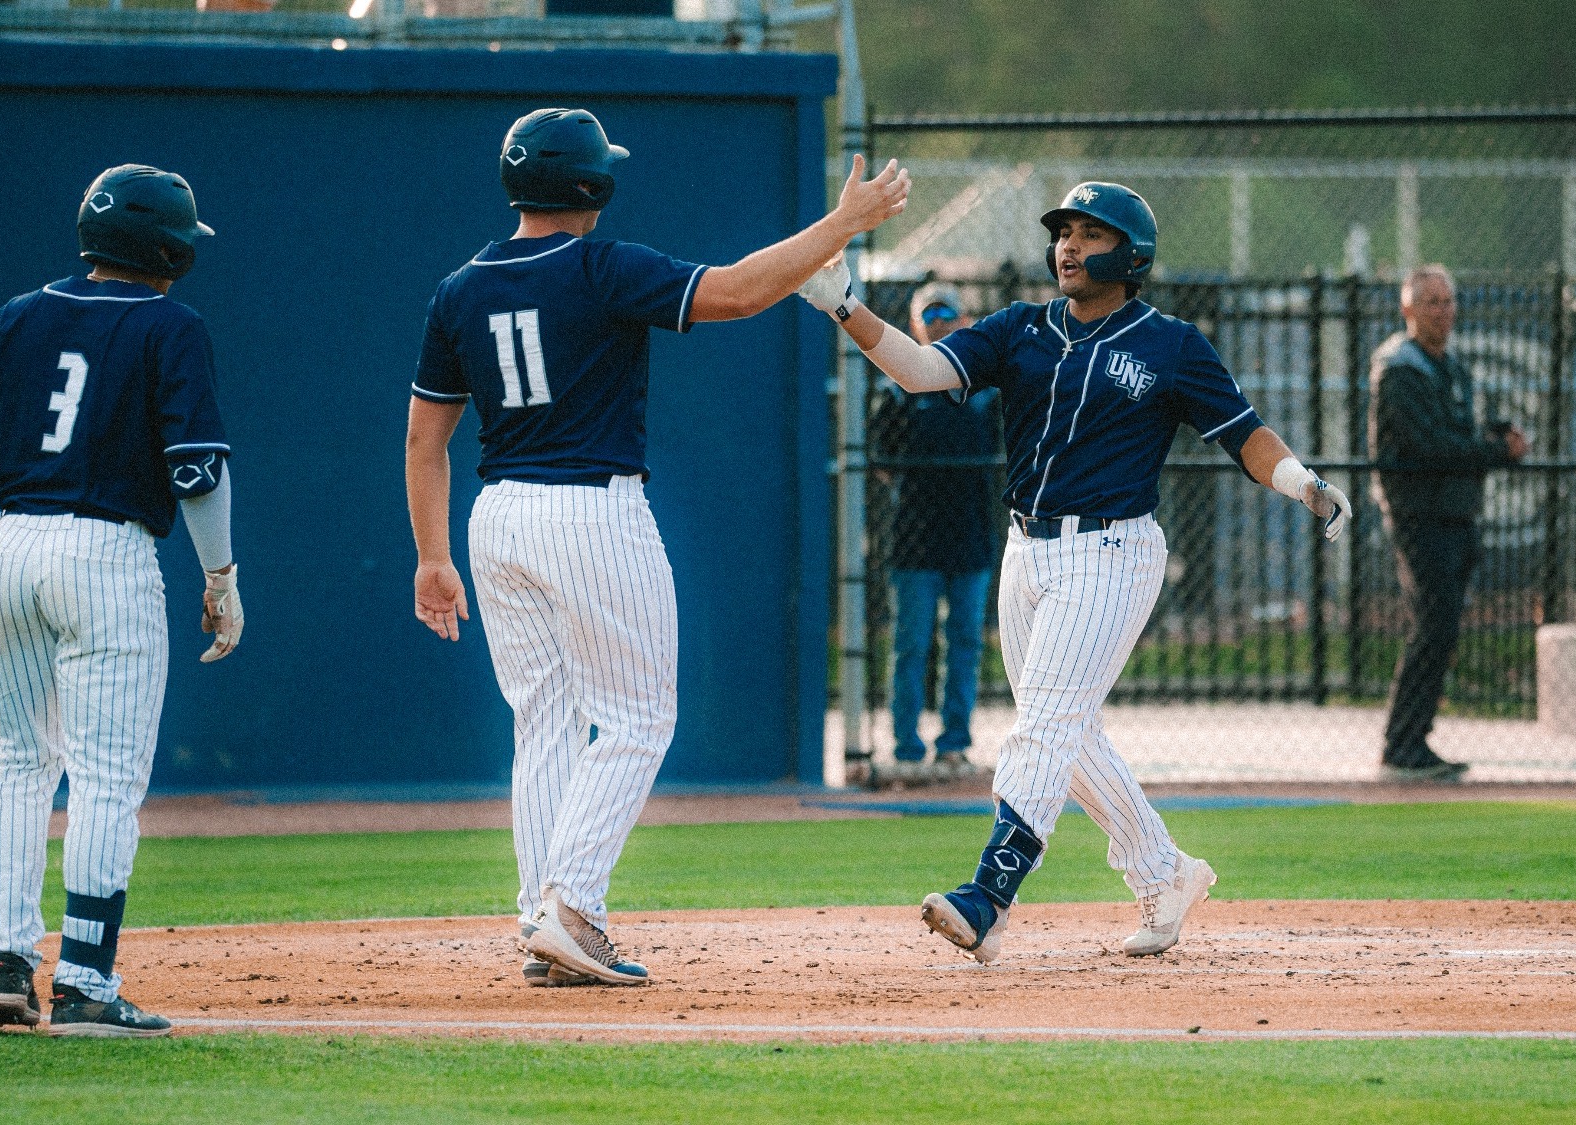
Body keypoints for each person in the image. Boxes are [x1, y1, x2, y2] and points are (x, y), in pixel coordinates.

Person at [405, 109, 908, 986]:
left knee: (545, 721)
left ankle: (541, 916)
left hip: (497, 516)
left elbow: (424, 441)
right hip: (589, 511)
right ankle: (571, 909)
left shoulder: (460, 287)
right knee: (639, 715)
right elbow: (745, 290)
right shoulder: (600, 265)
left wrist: (431, 555)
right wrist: (841, 224)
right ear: (592, 185)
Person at [798, 182, 1350, 962]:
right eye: (1064, 231)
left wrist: (1303, 482)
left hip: (1112, 552)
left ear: (1131, 255)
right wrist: (845, 306)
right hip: (1025, 549)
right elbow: (921, 370)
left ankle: (989, 895)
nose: (1068, 244)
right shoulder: (1019, 328)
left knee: (1045, 726)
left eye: (1090, 233)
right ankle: (1165, 873)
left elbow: (1244, 433)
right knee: (1070, 733)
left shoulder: (1170, 342)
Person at [0, 164, 243, 1037]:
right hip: (106, 553)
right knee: (106, 777)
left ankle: (5, 962)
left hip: (13, 543)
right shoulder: (172, 325)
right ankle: (83, 980)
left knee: (20, 761)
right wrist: (220, 578)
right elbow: (196, 469)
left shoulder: (19, 314)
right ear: (165, 245)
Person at [1368, 264, 1528, 782]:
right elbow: (1431, 447)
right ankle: (1402, 743)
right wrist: (1495, 453)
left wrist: (1494, 440)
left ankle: (1414, 740)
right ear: (1408, 310)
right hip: (1420, 515)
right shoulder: (1400, 369)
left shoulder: (1449, 367)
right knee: (1431, 624)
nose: (1444, 312)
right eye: (1431, 302)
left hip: (1456, 512)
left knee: (1442, 627)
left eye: (1448, 301)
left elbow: (1459, 434)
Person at [879, 282, 999, 785]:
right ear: (914, 325)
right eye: (929, 313)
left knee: (966, 642)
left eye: (949, 311)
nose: (940, 320)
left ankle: (954, 746)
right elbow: (883, 462)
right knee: (911, 644)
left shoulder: (985, 391)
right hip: (915, 542)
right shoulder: (897, 390)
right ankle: (906, 748)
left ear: (964, 321)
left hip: (970, 535)